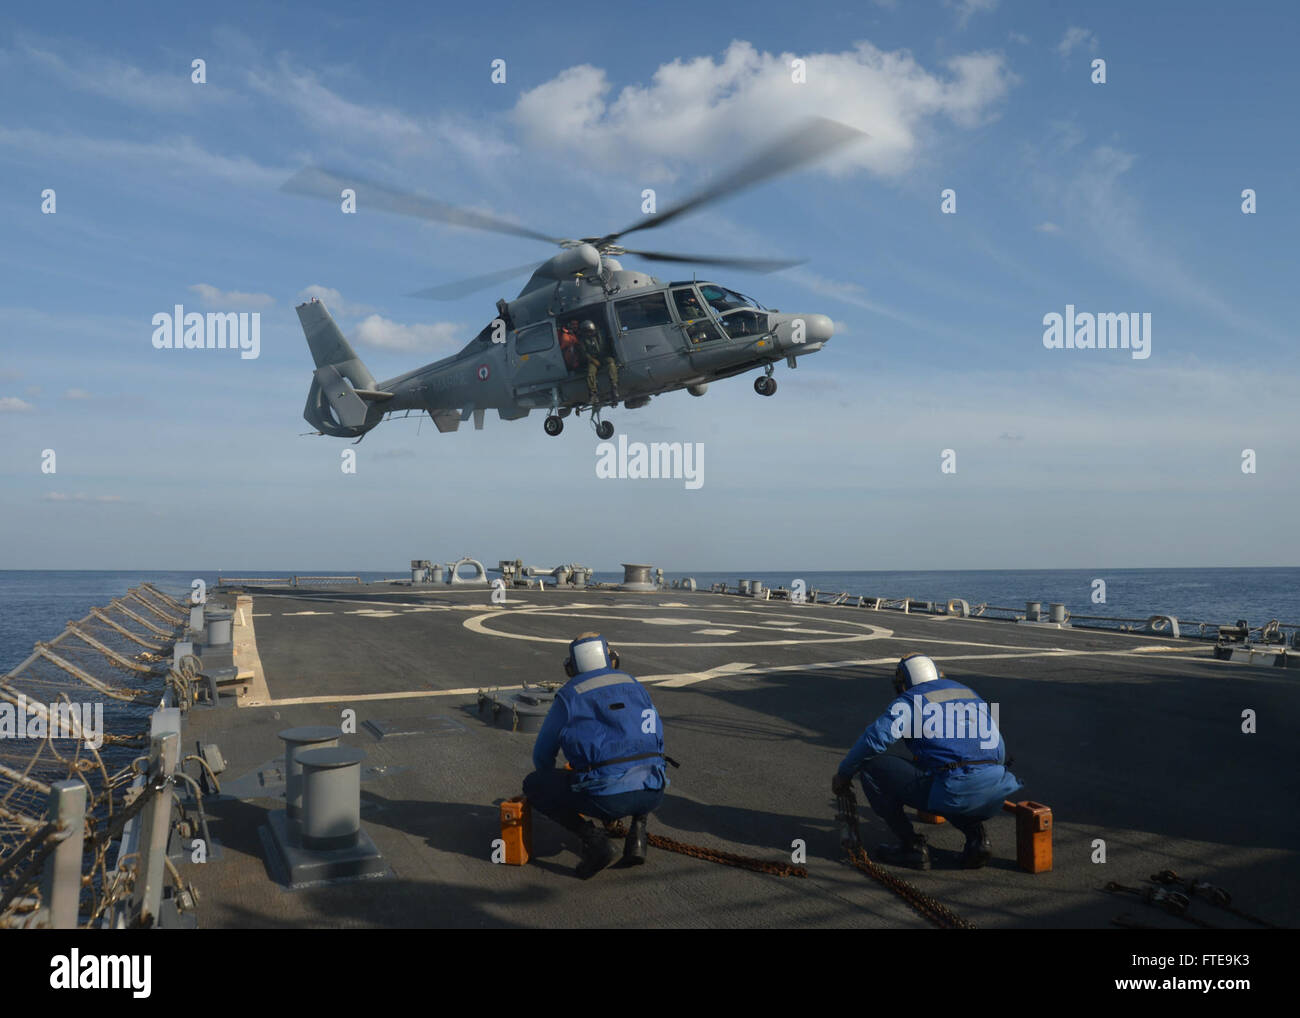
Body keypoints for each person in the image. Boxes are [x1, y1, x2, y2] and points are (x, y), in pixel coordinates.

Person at [831, 653, 1022, 870]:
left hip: (954, 792)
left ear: (903, 684)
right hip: (995, 795)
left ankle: (911, 846)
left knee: (872, 769)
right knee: (959, 775)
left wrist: (844, 773)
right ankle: (977, 840)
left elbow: (874, 740)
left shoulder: (910, 699)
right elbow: (998, 748)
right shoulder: (968, 692)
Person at [522, 633, 667, 878]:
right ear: (611, 658)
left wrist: (567, 776)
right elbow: (657, 742)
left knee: (534, 784)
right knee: (643, 758)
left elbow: (542, 757)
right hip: (654, 791)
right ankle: (638, 835)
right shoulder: (634, 684)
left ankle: (596, 842)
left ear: (571, 667)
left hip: (605, 798)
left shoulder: (569, 696)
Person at [577, 319, 619, 402]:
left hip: (603, 357)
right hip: (593, 360)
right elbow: (584, 353)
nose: (588, 333)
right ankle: (593, 393)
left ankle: (614, 386)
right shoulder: (582, 341)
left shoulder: (601, 335)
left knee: (611, 363)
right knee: (590, 372)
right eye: (586, 332)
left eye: (589, 331)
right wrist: (592, 360)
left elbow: (606, 345)